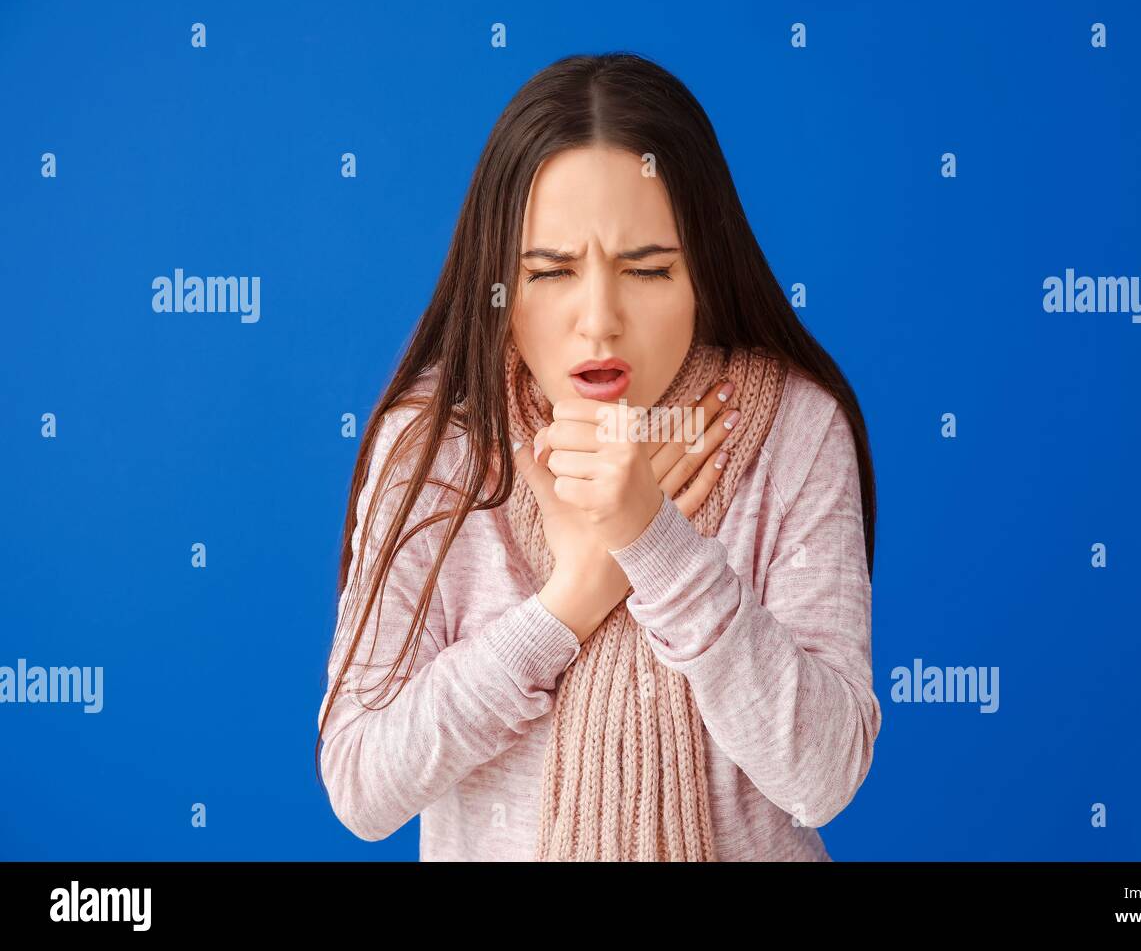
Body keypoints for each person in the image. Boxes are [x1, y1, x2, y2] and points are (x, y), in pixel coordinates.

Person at [316, 51, 881, 861]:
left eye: (647, 270)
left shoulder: (793, 429)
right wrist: (573, 596)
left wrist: (656, 542)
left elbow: (822, 777)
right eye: (549, 273)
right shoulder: (434, 445)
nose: (599, 321)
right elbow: (362, 784)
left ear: (703, 272)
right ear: (497, 287)